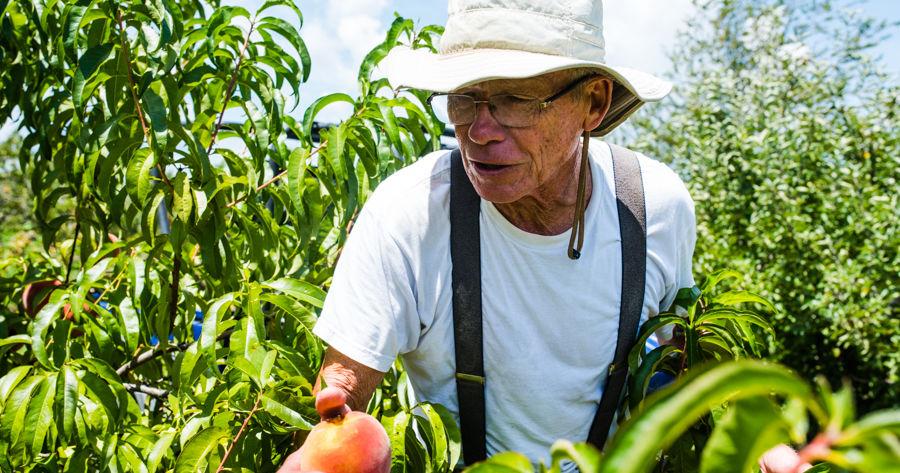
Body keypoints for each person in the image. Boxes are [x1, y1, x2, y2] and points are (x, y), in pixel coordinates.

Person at [279, 1, 802, 471]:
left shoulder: (651, 208)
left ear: (593, 104)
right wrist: (323, 447)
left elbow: (678, 352)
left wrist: (760, 438)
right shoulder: (410, 214)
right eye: (465, 97)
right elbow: (339, 401)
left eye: (513, 100)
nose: (480, 130)